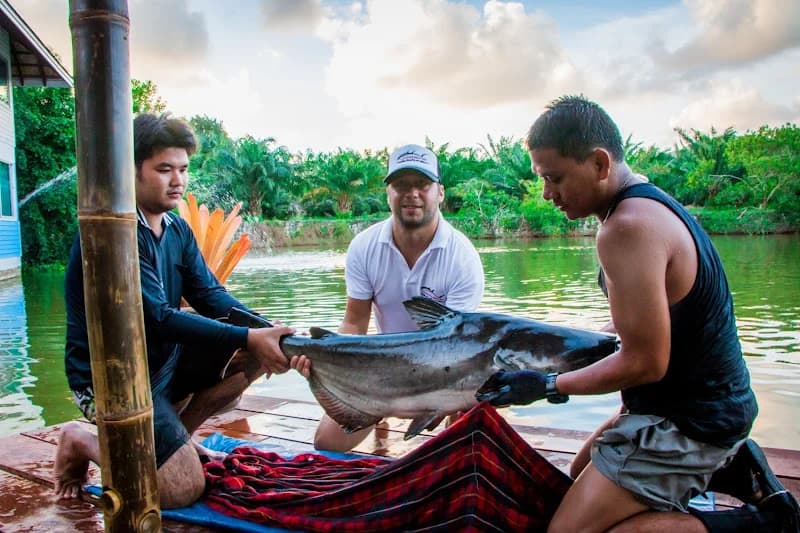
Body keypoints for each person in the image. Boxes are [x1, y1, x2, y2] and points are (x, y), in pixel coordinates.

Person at [477, 95, 799, 532]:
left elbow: (647, 362)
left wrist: (547, 384)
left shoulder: (626, 228)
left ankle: (763, 523)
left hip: (690, 422)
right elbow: (641, 323)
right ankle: (728, 468)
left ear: (599, 164)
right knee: (576, 474)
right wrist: (563, 350)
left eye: (554, 178)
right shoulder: (649, 202)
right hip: (705, 405)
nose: (547, 193)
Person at [54, 113, 296, 509]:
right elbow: (159, 317)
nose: (177, 180)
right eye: (163, 169)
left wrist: (272, 333)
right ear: (129, 171)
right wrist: (251, 335)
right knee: (180, 490)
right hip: (114, 380)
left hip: (162, 365)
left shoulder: (177, 228)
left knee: (256, 354)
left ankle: (176, 440)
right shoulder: (112, 232)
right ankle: (82, 440)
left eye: (182, 169)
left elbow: (212, 297)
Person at [293, 143, 484, 452]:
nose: (412, 193)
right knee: (327, 443)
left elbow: (455, 346)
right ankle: (379, 415)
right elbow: (354, 324)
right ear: (389, 194)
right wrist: (324, 361)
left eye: (422, 184)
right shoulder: (364, 246)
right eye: (401, 185)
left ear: (440, 192)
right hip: (379, 371)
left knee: (471, 418)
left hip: (444, 372)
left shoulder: (463, 258)